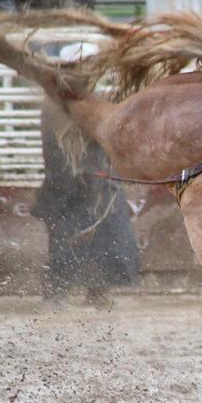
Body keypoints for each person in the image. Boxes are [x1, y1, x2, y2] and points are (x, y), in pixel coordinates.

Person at [31, 93, 141, 307]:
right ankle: (58, 292)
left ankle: (97, 292)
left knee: (110, 238)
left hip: (100, 183)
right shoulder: (56, 109)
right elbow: (57, 154)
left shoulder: (94, 104)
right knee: (66, 239)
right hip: (70, 186)